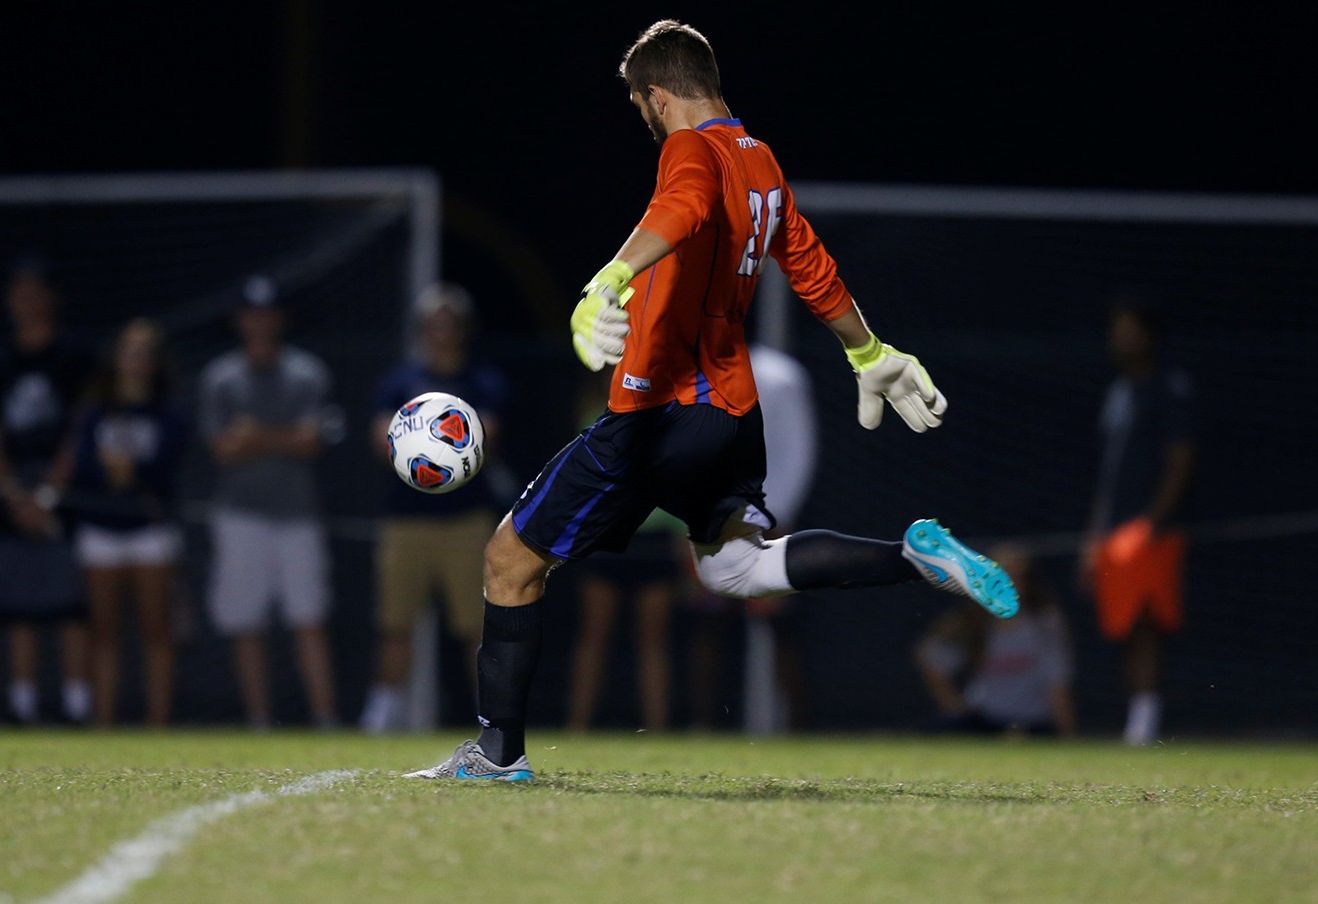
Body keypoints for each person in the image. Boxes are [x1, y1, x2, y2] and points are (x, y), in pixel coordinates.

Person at [406, 19, 1018, 781]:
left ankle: (498, 757)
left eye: (641, 107)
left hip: (656, 410)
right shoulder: (760, 160)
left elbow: (683, 205)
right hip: (731, 414)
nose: (646, 120)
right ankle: (915, 557)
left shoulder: (688, 149)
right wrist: (869, 351)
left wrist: (609, 279)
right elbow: (809, 264)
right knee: (735, 569)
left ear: (658, 94)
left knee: (507, 561)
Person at [359, 282, 508, 734]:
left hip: (467, 523)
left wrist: (444, 449)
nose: (442, 331)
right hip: (406, 522)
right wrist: (410, 448)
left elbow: (489, 436)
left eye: (450, 322)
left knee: (477, 630)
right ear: (423, 330)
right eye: (434, 323)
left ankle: (495, 720)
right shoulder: (400, 383)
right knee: (395, 624)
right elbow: (377, 438)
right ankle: (380, 719)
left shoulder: (483, 382)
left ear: (463, 329)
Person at [198, 274, 340, 730]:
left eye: (267, 314)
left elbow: (314, 441)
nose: (259, 323)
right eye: (251, 314)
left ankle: (325, 717)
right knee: (245, 622)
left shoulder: (308, 372)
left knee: (309, 617)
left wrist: (255, 435)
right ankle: (259, 719)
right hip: (239, 514)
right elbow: (221, 449)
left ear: (280, 319)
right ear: (240, 321)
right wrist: (285, 437)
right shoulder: (220, 377)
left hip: (298, 514)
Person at [0, 256, 96, 726]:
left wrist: (50, 491)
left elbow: (82, 427)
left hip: (63, 489)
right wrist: (15, 496)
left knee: (70, 603)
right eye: (18, 291)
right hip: (14, 490)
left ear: (51, 297)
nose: (25, 300)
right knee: (16, 604)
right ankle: (21, 707)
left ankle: (77, 707)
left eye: (34, 290)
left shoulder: (75, 356)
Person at [1079, 294, 1197, 746]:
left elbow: (1180, 461)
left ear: (1149, 336)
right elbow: (1109, 475)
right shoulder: (1119, 390)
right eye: (1116, 330)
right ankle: (1137, 719)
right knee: (1122, 626)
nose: (1119, 339)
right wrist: (1094, 537)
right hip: (1113, 531)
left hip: (1150, 531)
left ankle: (1145, 725)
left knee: (1147, 622)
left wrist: (1150, 523)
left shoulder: (1169, 387)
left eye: (1129, 330)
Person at [682, 341, 818, 733]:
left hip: (765, 518)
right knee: (709, 620)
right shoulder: (697, 369)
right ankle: (704, 723)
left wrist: (776, 513)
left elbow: (796, 448)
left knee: (778, 623)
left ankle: (798, 725)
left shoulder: (778, 374)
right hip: (715, 518)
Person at [67, 317, 188, 728]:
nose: (136, 359)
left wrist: (132, 471)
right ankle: (103, 724)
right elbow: (80, 465)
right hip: (101, 530)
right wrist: (106, 474)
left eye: (144, 352)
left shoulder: (168, 412)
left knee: (157, 633)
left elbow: (170, 464)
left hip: (150, 531)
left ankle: (158, 724)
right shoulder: (95, 410)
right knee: (104, 635)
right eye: (129, 350)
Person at [563, 371, 683, 734]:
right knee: (595, 634)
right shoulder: (593, 418)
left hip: (656, 536)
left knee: (654, 638)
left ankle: (657, 729)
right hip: (608, 535)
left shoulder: (668, 416)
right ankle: (577, 727)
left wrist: (682, 534)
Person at [914, 544, 1076, 737]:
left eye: (1015, 578)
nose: (1007, 585)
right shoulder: (973, 623)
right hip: (985, 720)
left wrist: (1067, 735)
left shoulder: (1044, 624)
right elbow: (929, 655)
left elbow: (1057, 685)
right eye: (1000, 578)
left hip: (1033, 722)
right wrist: (955, 706)